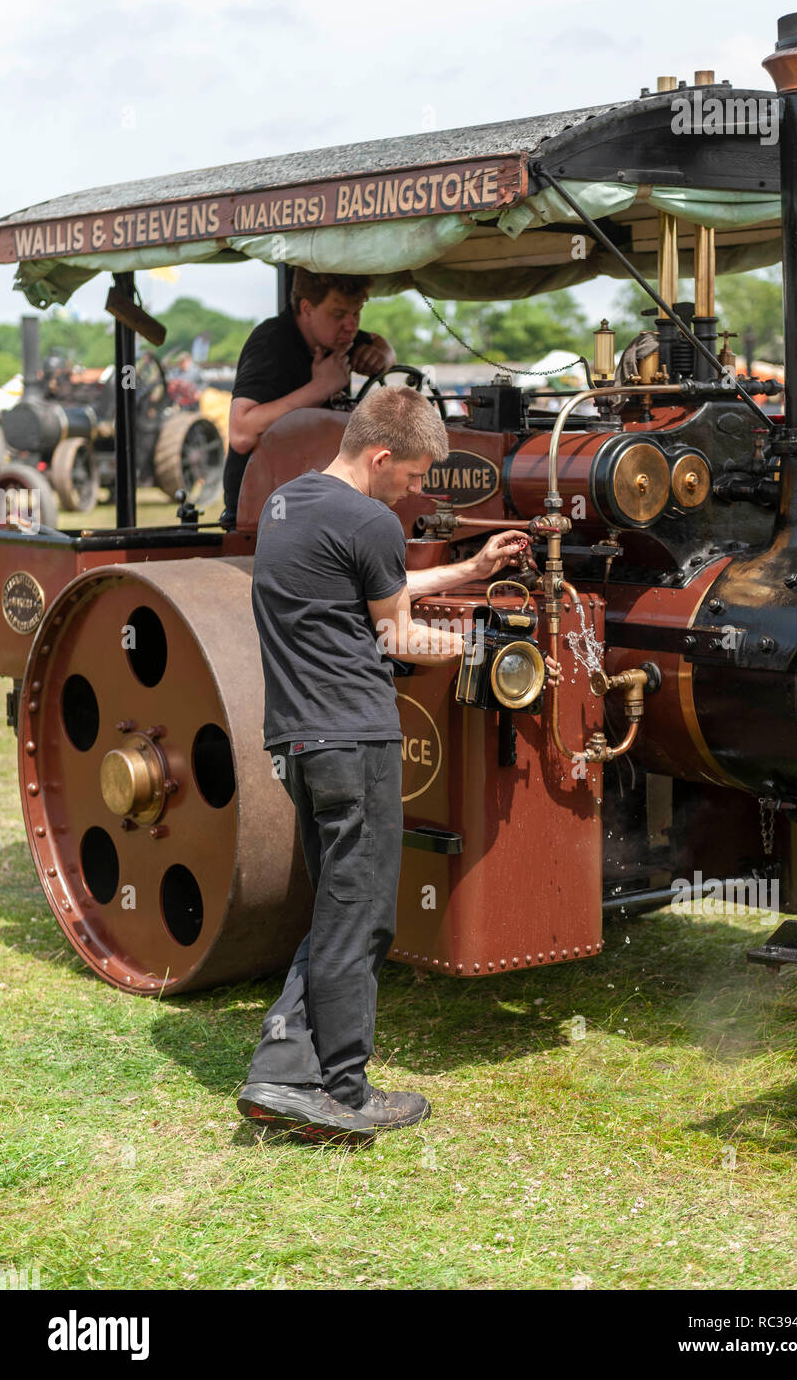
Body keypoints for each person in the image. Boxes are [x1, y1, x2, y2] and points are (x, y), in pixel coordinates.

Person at [237, 384, 560, 1142]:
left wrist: (469, 567)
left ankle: (281, 1071)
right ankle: (342, 1091)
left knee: (337, 909)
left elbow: (369, 584)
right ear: (380, 456)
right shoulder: (371, 520)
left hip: (296, 738)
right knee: (365, 916)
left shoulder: (289, 505)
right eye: (412, 476)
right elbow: (400, 638)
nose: (415, 492)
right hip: (355, 739)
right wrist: (492, 646)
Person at [220, 269, 395, 527]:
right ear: (307, 309)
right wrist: (321, 387)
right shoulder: (271, 342)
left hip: (315, 506)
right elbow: (241, 432)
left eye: (356, 313)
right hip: (265, 515)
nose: (351, 325)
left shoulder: (338, 337)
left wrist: (382, 357)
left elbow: (382, 344)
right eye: (338, 314)